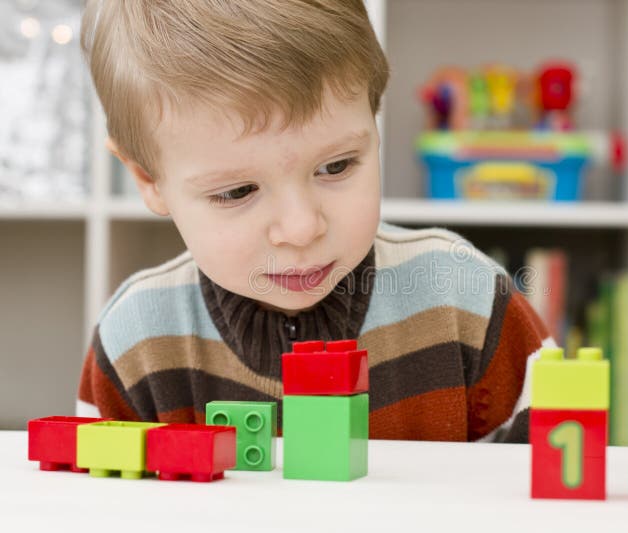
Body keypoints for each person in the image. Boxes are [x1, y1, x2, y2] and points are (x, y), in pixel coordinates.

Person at [76, 0, 552, 443]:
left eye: (337, 166)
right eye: (237, 191)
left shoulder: (466, 301)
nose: (303, 229)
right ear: (148, 178)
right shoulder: (136, 339)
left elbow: (559, 491)